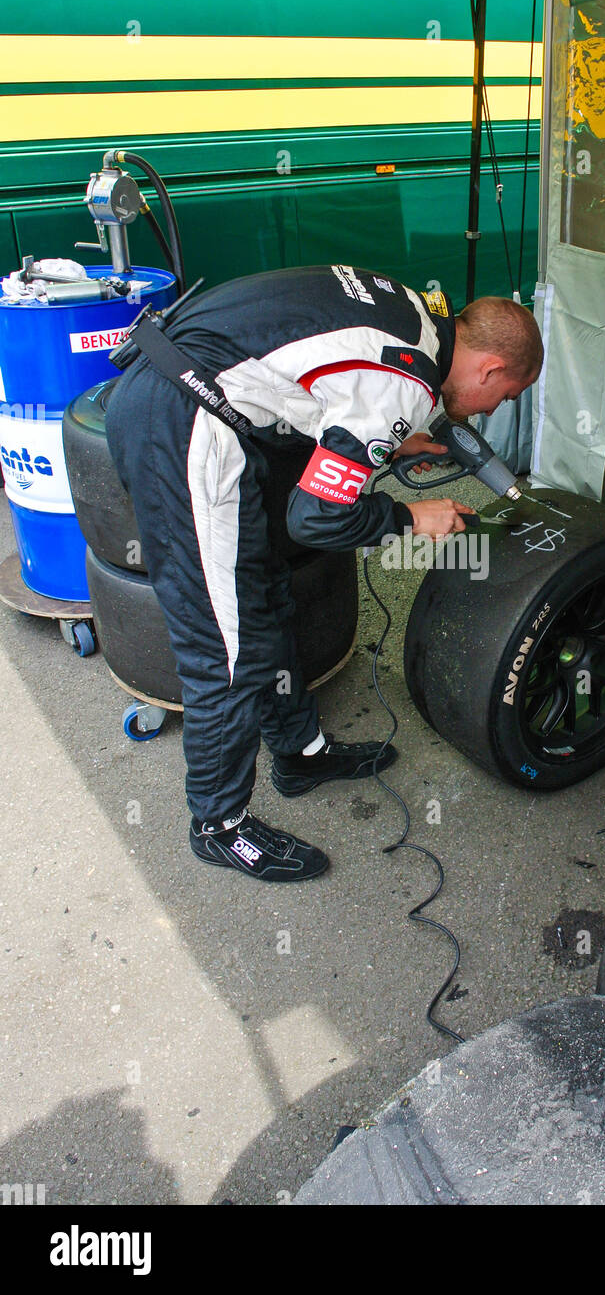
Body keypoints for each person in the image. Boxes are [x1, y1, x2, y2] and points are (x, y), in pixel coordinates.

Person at [106, 265, 543, 884]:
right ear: (492, 370)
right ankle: (218, 824)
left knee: (265, 595)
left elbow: (317, 374)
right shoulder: (405, 379)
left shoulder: (419, 312)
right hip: (180, 423)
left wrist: (388, 441)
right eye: (501, 399)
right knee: (225, 645)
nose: (490, 411)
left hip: (208, 402)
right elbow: (318, 519)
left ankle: (299, 753)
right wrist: (408, 518)